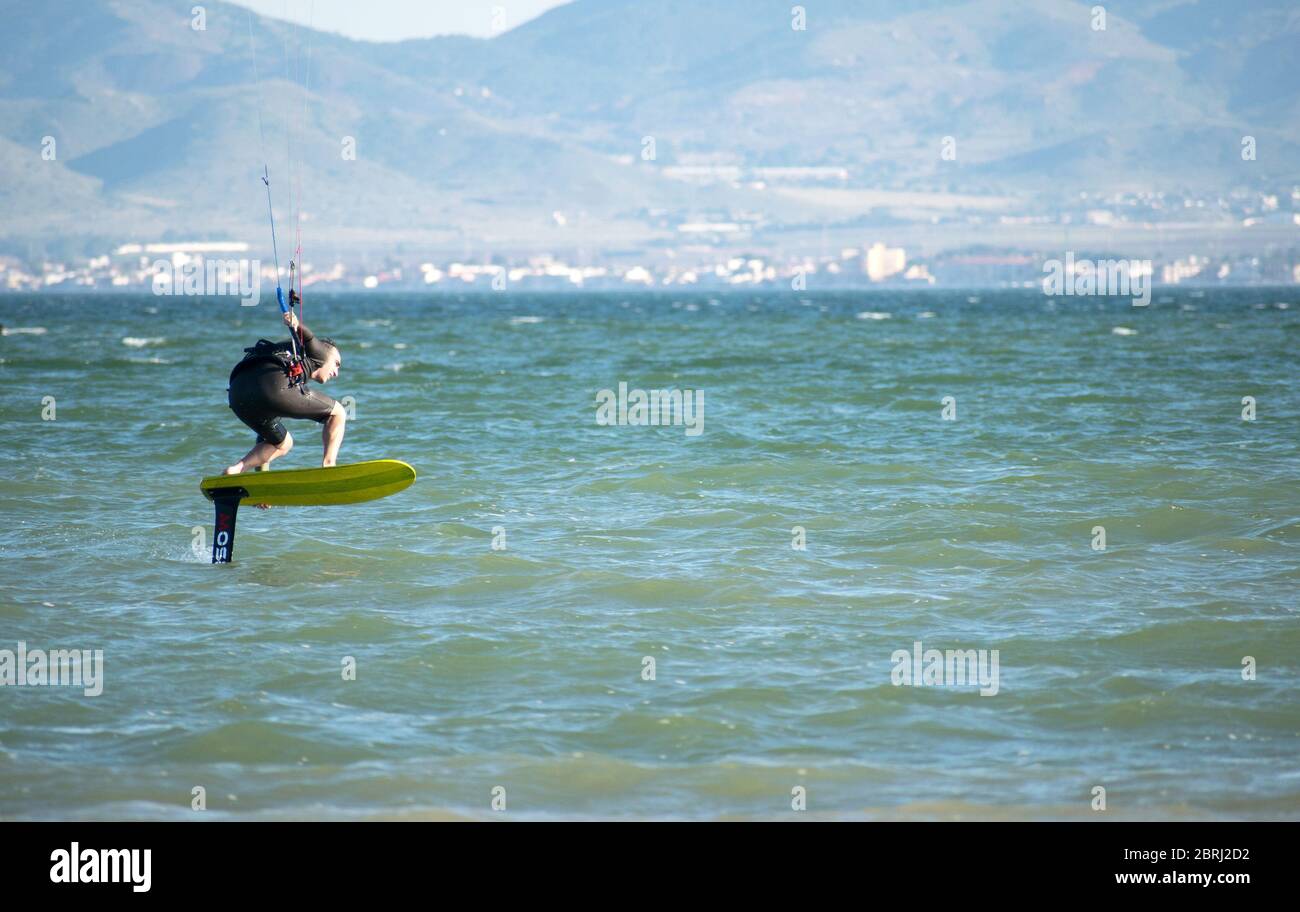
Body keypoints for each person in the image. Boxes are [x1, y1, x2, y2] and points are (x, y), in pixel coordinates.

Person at [223, 293, 346, 479]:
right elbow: (309, 338)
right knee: (338, 413)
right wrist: (296, 324)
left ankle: (236, 470)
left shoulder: (290, 355)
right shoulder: (320, 352)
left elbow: (263, 439)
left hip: (238, 394)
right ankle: (329, 467)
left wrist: (262, 484)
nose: (336, 372)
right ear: (327, 355)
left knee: (282, 443)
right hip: (274, 387)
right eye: (336, 364)